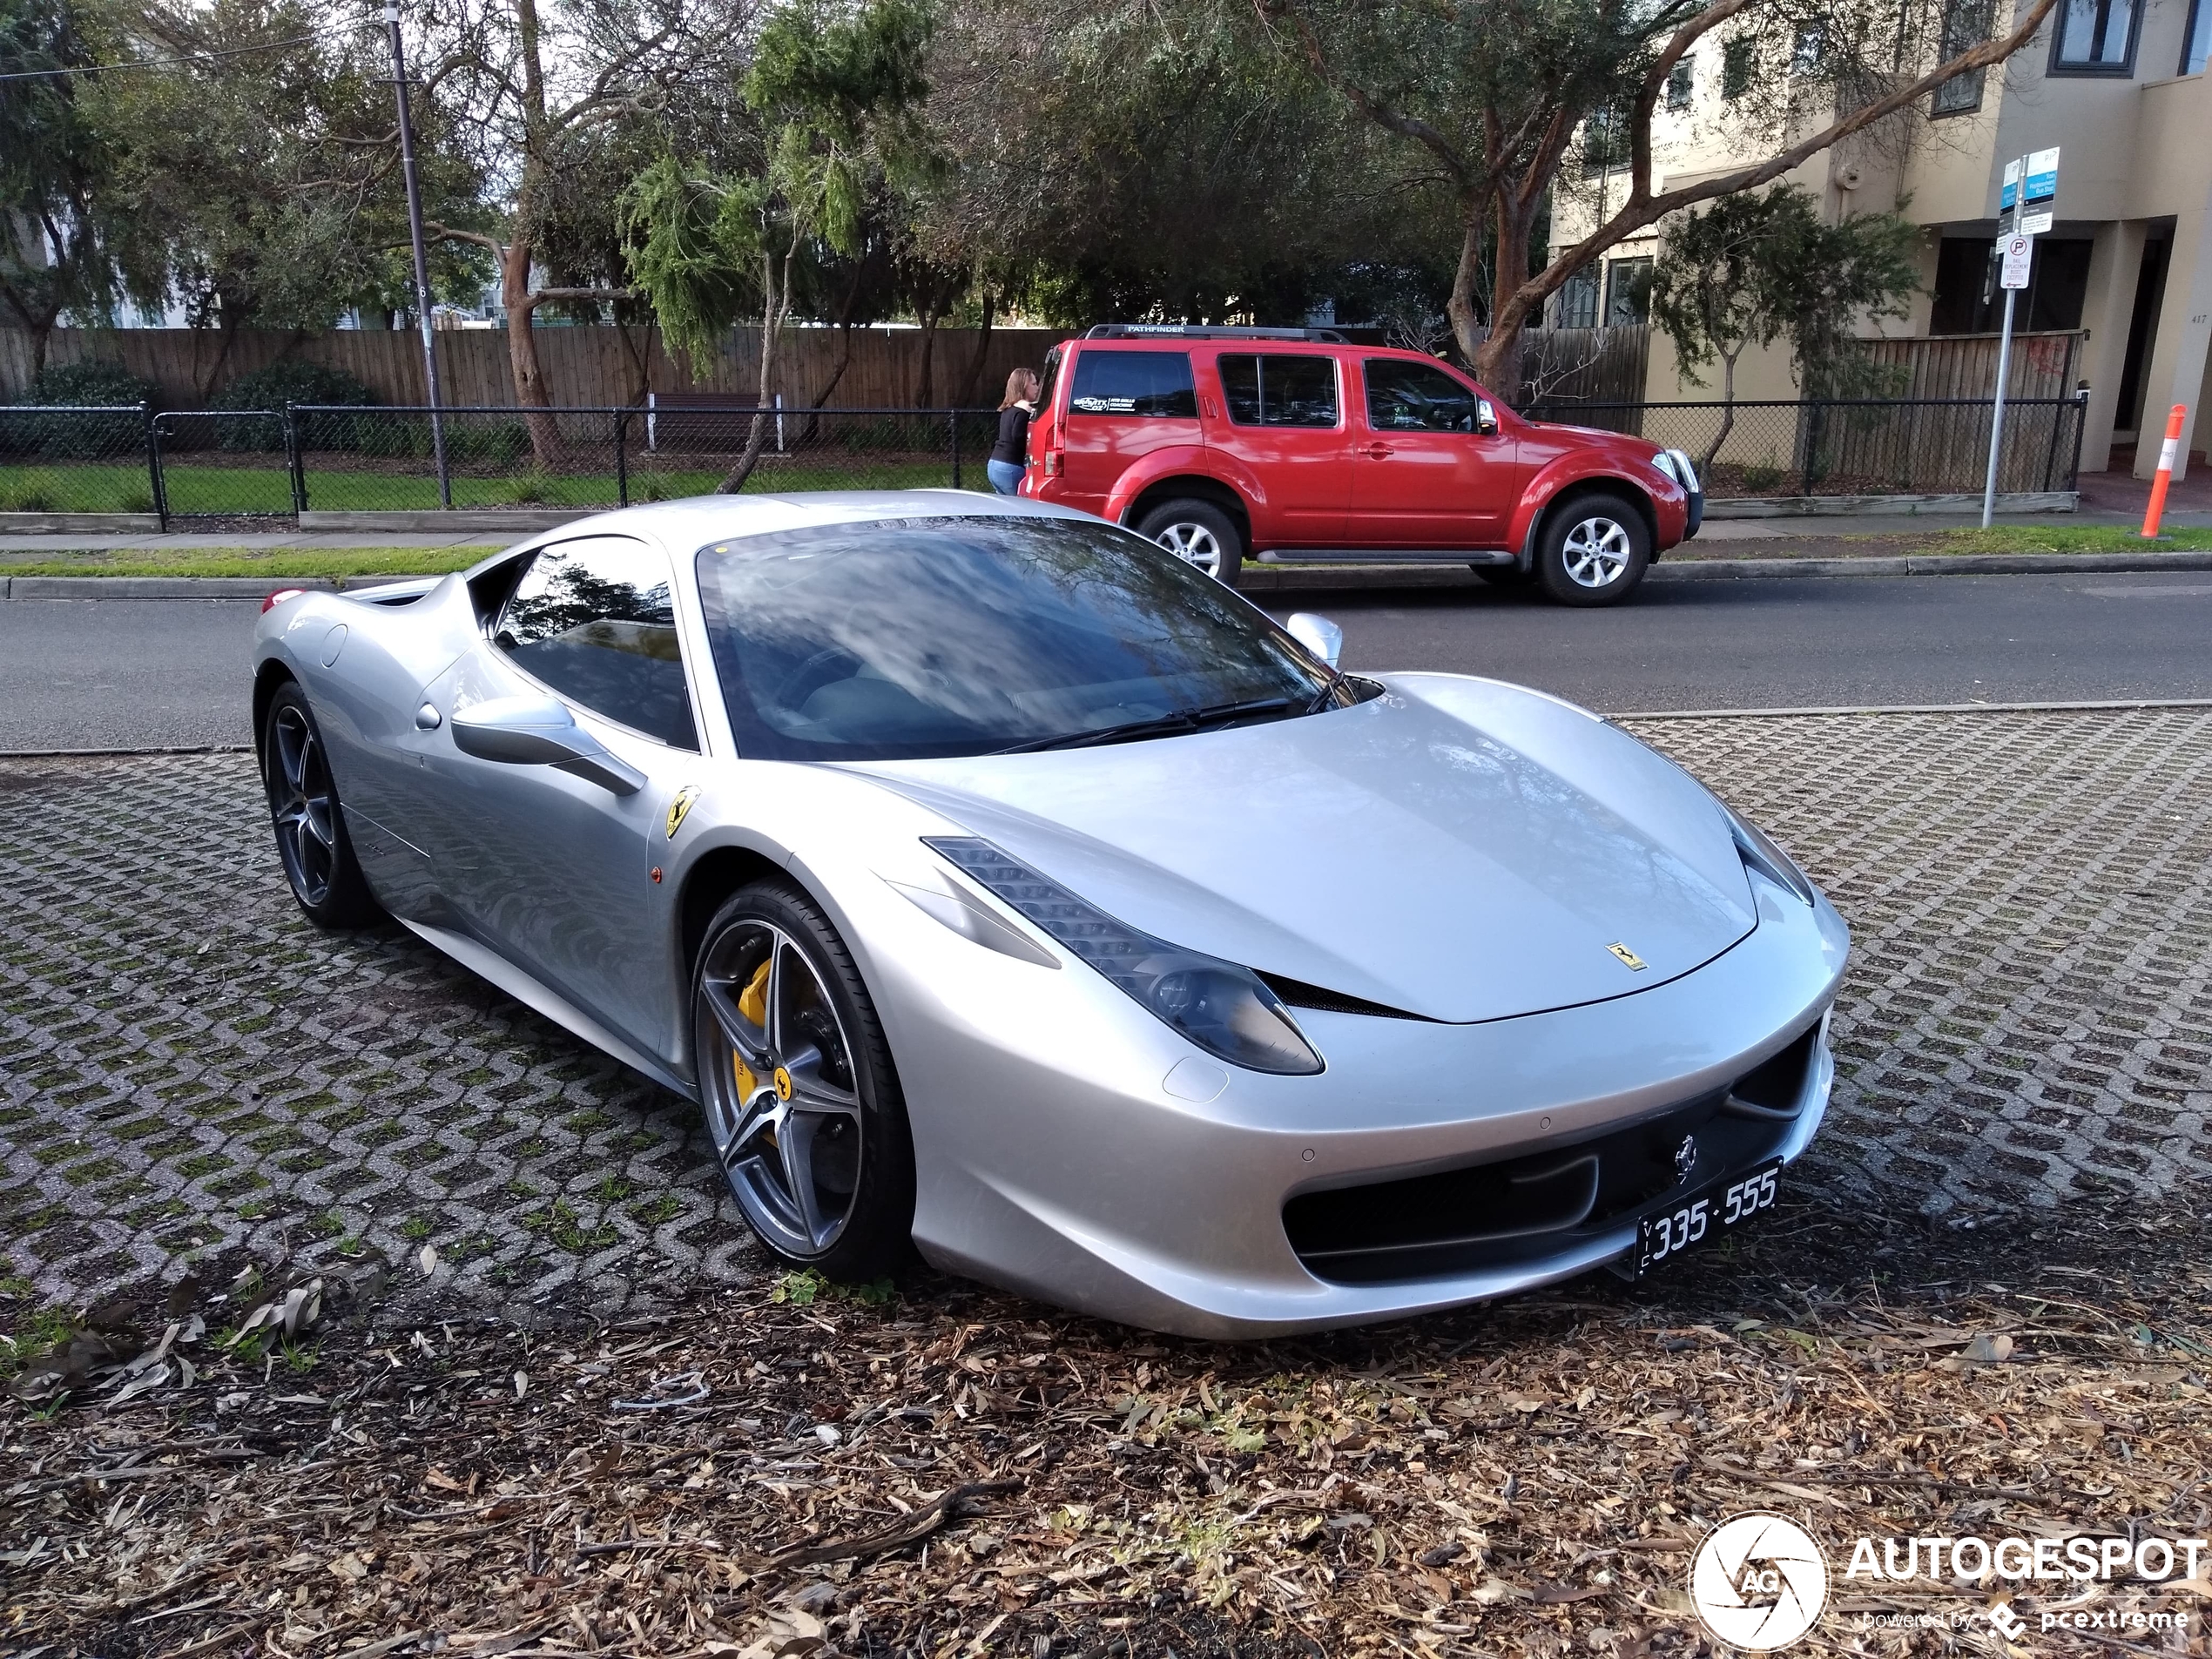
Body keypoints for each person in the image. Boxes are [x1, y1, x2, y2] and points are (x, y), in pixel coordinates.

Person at [988, 368, 1039, 496]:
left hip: (994, 465)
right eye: (1033, 384)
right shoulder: (1026, 409)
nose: (1037, 388)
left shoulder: (1009, 408)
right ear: (1023, 386)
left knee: (1006, 509)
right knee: (1021, 509)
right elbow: (1018, 436)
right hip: (1010, 467)